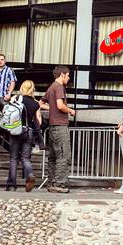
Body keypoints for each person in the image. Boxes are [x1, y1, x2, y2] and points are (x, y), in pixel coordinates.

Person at [41, 65, 75, 193]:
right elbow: (61, 106)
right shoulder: (59, 87)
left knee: (53, 156)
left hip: (52, 127)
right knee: (64, 155)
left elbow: (41, 103)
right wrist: (70, 110)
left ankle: (51, 182)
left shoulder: (51, 87)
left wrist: (52, 109)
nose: (69, 77)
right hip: (60, 126)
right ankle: (59, 184)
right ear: (62, 75)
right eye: (68, 75)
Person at [6, 79, 41, 192]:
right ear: (32, 89)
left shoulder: (16, 98)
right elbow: (38, 121)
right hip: (28, 131)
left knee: (13, 158)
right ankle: (30, 174)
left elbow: (7, 111)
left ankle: (11, 185)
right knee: (25, 158)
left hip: (16, 130)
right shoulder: (36, 103)